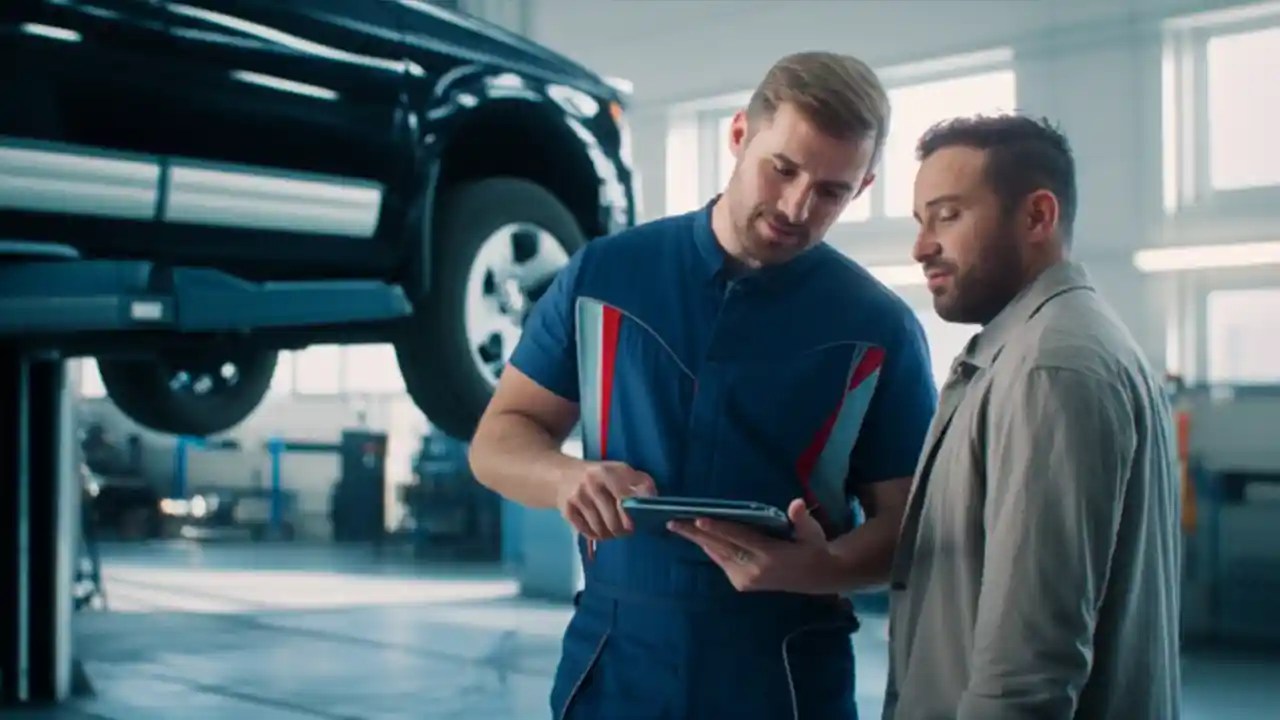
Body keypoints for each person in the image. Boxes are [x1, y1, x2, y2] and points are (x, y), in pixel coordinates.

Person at [468, 51, 938, 720]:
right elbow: (498, 440)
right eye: (783, 169)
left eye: (832, 191)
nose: (798, 207)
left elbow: (913, 527)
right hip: (616, 664)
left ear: (861, 189)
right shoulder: (605, 277)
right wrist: (566, 478)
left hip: (784, 678)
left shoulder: (878, 329)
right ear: (741, 135)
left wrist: (816, 568)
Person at [883, 114, 1182, 720]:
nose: (921, 248)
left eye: (948, 215)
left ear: (1037, 217)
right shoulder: (1048, 346)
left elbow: (1028, 670)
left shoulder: (1051, 365)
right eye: (921, 222)